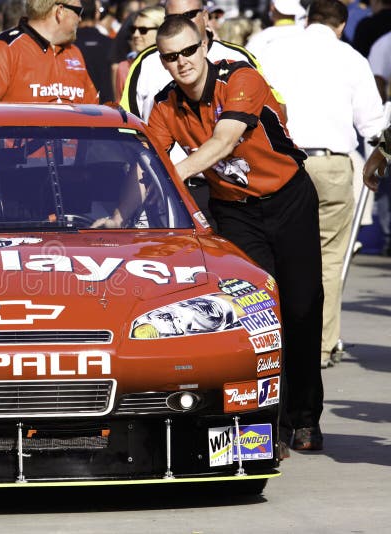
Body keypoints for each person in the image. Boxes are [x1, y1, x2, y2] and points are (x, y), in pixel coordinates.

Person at [147, 17, 324, 455]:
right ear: (163, 62)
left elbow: (225, 140)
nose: (182, 62)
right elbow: (144, 167)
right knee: (257, 317)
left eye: (189, 51)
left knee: (302, 309)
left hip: (288, 198)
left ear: (205, 44)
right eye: (171, 56)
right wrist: (116, 214)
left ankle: (306, 418)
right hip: (236, 211)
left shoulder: (241, 78)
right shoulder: (165, 104)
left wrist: (176, 175)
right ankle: (269, 425)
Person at [260, 0, 385, 368]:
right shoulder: (351, 58)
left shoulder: (273, 52)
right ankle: (321, 347)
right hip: (331, 162)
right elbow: (373, 125)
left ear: (307, 18)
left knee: (279, 259)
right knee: (329, 261)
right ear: (341, 25)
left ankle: (275, 345)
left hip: (280, 162)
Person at [119, 0, 262, 121]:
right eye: (174, 17)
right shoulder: (146, 62)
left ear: (205, 17)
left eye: (189, 15)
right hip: (163, 149)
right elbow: (128, 120)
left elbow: (273, 106)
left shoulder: (238, 57)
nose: (181, 62)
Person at [0, 0, 99, 104]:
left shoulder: (74, 52)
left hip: (71, 140)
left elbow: (93, 109)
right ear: (60, 11)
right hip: (20, 140)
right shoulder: (6, 46)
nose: (80, 19)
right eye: (79, 12)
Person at [114, 5, 165, 104]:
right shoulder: (124, 68)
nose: (135, 35)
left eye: (143, 30)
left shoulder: (175, 64)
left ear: (161, 31)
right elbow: (122, 111)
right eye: (133, 29)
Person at [75, 0, 115, 104]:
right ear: (97, 14)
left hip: (77, 108)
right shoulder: (110, 43)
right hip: (108, 110)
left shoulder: (69, 46)